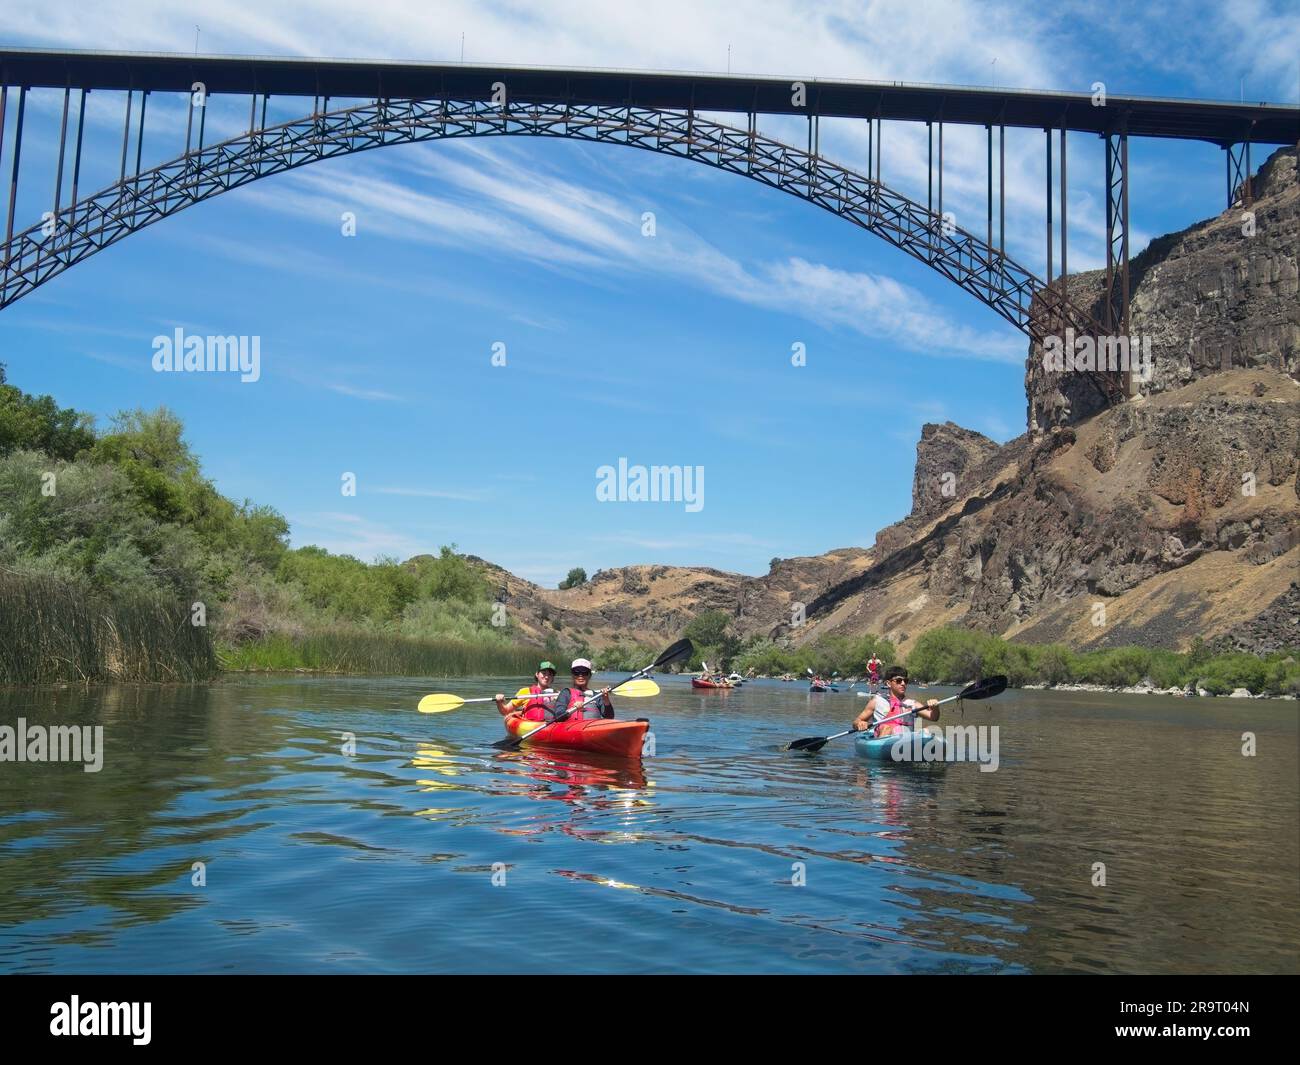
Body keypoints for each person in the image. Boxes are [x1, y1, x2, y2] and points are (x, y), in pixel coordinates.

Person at [852, 666, 939, 737]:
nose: (903, 683)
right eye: (898, 681)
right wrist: (860, 724)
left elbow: (933, 717)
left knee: (927, 731)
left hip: (906, 740)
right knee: (886, 728)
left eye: (905, 681)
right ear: (888, 683)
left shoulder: (912, 703)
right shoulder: (876, 701)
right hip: (884, 740)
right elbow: (856, 722)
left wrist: (935, 708)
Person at [542, 658, 615, 721]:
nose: (580, 675)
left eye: (584, 672)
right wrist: (572, 708)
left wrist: (606, 699)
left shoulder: (596, 695)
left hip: (593, 727)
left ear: (590, 675)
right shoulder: (566, 693)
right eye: (577, 672)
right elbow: (558, 716)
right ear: (572, 675)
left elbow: (609, 717)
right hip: (571, 728)